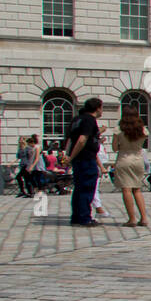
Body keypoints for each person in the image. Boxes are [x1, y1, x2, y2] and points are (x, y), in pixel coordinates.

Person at [60, 97, 104, 226]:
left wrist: (67, 156)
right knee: (87, 188)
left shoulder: (76, 119)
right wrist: (71, 157)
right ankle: (85, 217)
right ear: (97, 108)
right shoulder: (89, 120)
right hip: (86, 158)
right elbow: (81, 140)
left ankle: (76, 217)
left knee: (79, 189)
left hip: (78, 160)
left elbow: (70, 140)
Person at [112, 106, 150, 227]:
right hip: (138, 160)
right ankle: (144, 218)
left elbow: (114, 148)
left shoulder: (118, 130)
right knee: (137, 189)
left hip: (123, 159)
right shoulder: (143, 130)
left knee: (126, 189)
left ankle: (132, 218)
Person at [92, 131, 110, 218]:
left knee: (95, 187)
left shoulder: (100, 145)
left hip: (100, 165)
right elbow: (96, 156)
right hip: (96, 166)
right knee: (94, 188)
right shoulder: (96, 145)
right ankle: (98, 208)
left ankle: (97, 208)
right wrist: (101, 167)